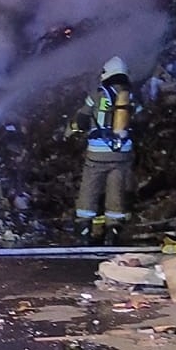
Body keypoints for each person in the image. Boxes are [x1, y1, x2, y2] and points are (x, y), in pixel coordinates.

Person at [71, 56, 134, 246]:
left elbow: (81, 120)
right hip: (122, 152)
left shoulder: (96, 95)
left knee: (89, 188)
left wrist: (74, 128)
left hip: (97, 152)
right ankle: (113, 231)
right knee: (116, 189)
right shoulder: (129, 95)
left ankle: (84, 229)